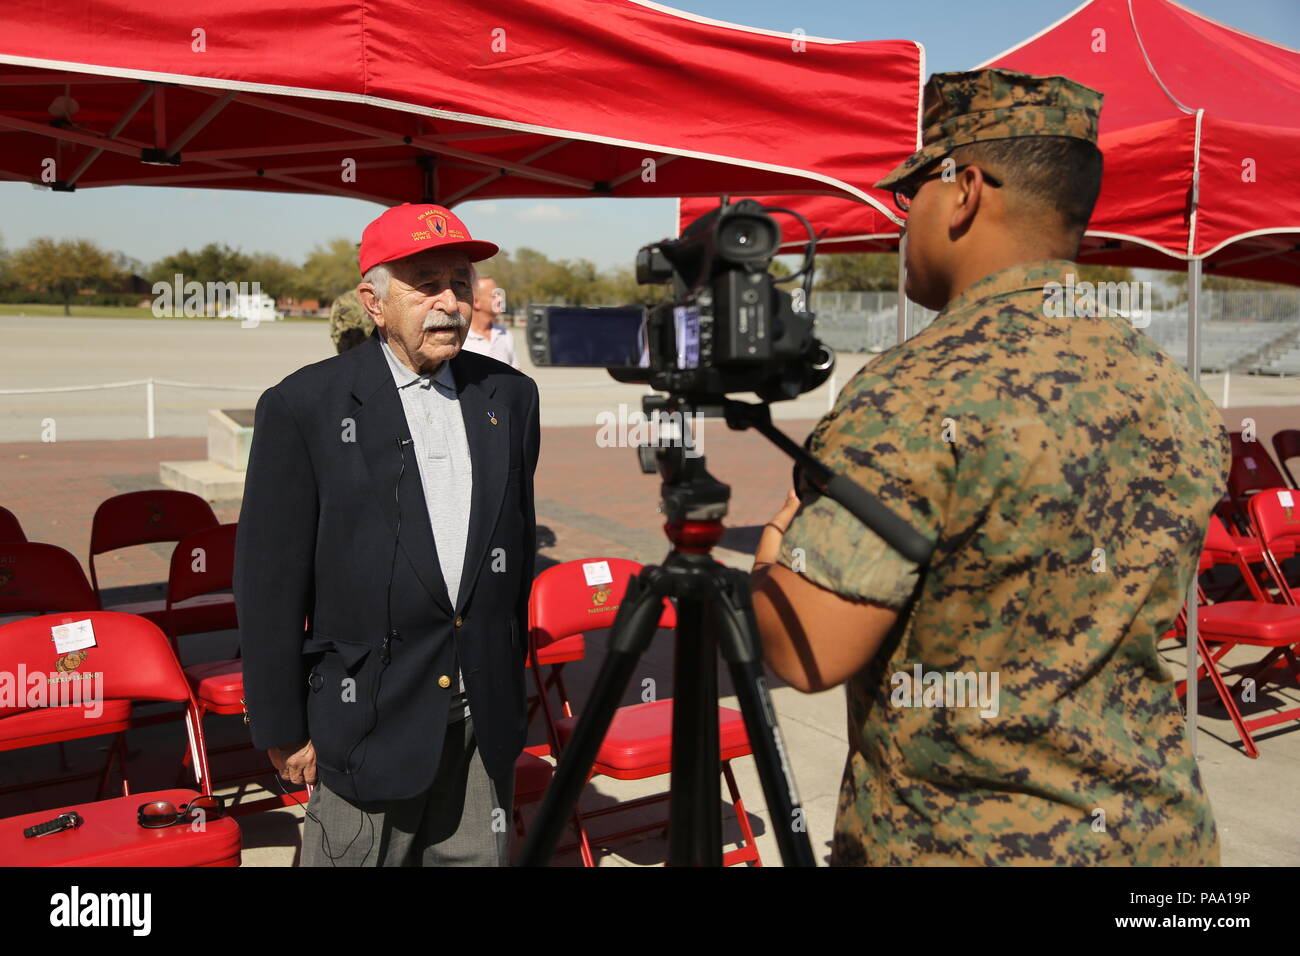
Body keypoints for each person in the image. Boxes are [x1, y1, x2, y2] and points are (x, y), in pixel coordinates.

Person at [750, 68, 1229, 866]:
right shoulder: (1167, 382)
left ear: (965, 189)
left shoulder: (921, 385)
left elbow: (805, 650)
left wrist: (777, 533)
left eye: (913, 197)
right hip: (1161, 850)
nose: (904, 223)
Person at [234, 202, 541, 866]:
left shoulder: (511, 398)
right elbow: (269, 585)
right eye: (426, 283)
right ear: (373, 302)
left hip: (479, 723)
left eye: (460, 282)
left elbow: (511, 555)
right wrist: (283, 727)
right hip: (363, 725)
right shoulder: (303, 407)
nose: (450, 302)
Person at [461, 275, 520, 369]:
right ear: (476, 302)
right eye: (494, 295)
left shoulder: (505, 334)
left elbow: (517, 375)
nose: (500, 299)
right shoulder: (461, 340)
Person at [328, 288, 373, 353]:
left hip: (346, 347)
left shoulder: (342, 300)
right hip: (356, 346)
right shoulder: (379, 297)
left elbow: (333, 328)